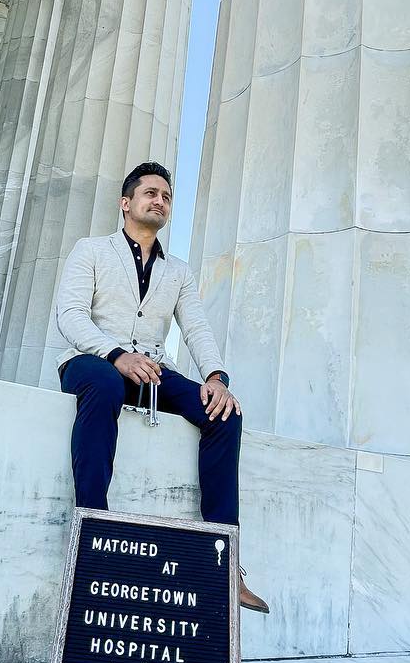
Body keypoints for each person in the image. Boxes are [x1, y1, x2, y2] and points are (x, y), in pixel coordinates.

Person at [53, 161, 270, 614]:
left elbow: (196, 328)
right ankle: (93, 529)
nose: (160, 201)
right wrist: (115, 354)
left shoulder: (179, 272)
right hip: (92, 362)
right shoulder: (91, 250)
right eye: (150, 193)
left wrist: (216, 377)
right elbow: (70, 315)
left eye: (166, 196)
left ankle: (225, 562)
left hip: (152, 369)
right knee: (106, 383)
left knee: (224, 413)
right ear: (126, 203)